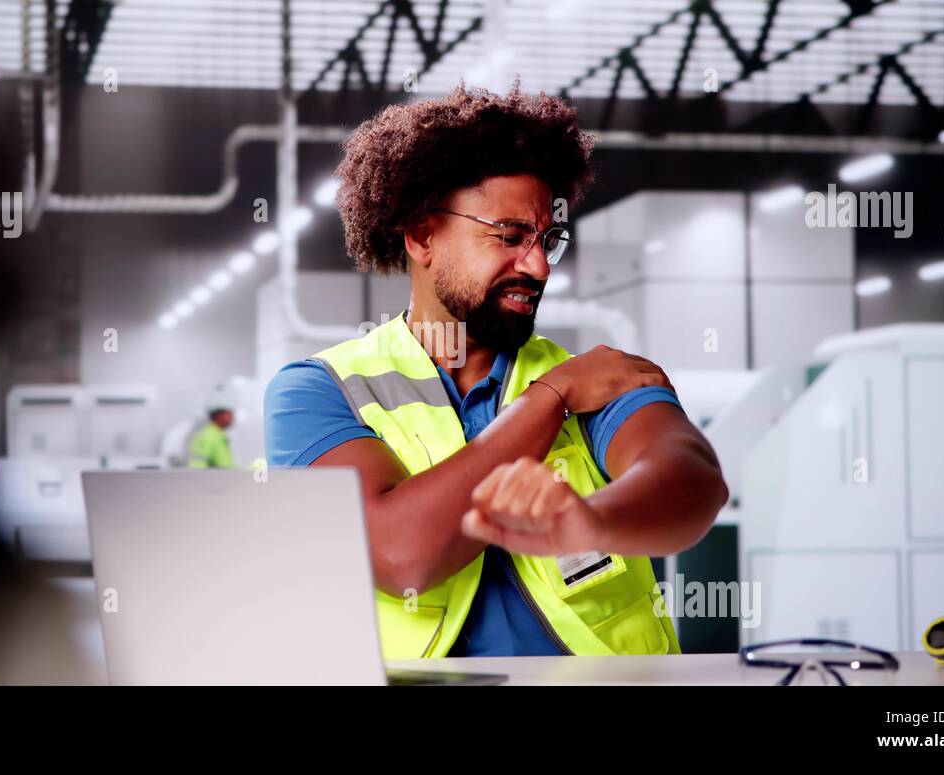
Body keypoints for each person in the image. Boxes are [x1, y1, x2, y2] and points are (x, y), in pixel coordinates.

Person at [263, 84, 728, 659]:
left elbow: (693, 481)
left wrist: (591, 522)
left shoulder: (598, 378)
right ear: (421, 234)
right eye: (509, 236)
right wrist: (548, 400)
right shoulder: (318, 390)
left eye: (547, 240)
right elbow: (401, 555)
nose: (536, 265)